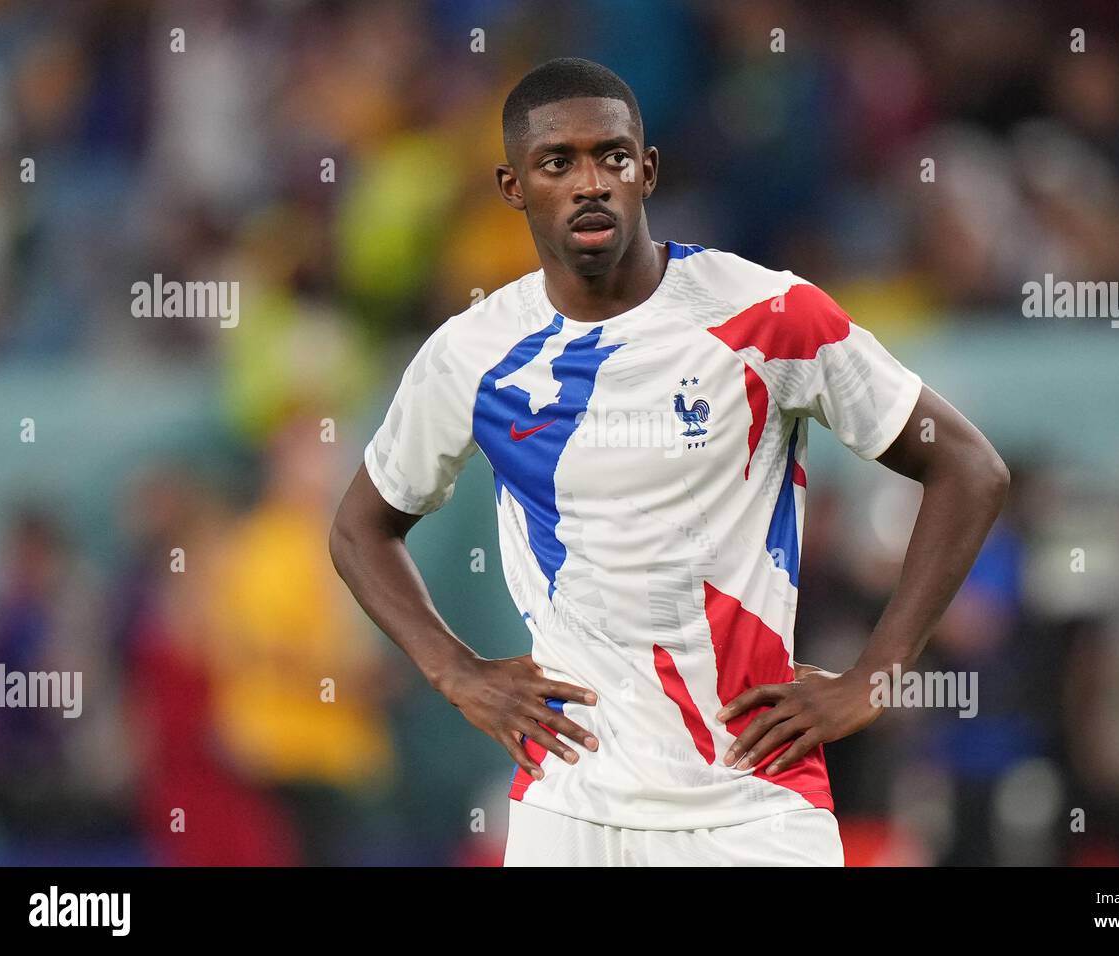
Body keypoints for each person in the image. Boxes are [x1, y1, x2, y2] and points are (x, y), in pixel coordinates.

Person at [330, 57, 1008, 866]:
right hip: (571, 805)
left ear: (645, 171)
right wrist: (457, 672)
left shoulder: (767, 314)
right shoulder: (474, 356)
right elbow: (361, 529)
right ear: (513, 187)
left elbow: (968, 467)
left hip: (754, 802)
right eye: (558, 163)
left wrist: (877, 674)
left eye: (612, 157)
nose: (591, 183)